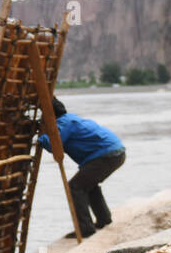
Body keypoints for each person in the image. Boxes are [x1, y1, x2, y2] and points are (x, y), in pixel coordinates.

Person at [38, 97, 125, 238]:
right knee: (87, 184)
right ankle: (104, 219)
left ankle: (85, 228)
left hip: (107, 154)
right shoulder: (69, 119)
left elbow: (52, 145)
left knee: (75, 187)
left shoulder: (63, 123)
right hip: (114, 153)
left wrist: (41, 135)